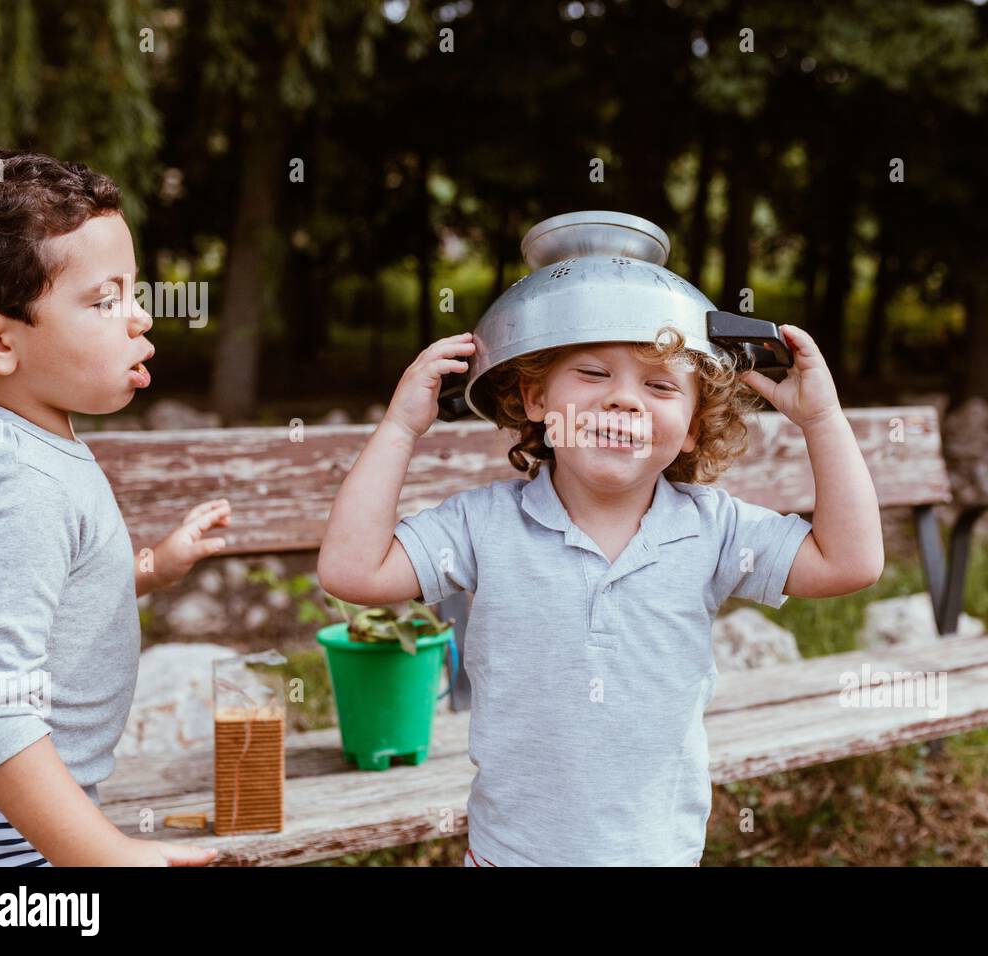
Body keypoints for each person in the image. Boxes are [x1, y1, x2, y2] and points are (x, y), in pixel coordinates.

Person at [317, 319, 883, 866]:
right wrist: (400, 428)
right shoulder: (482, 524)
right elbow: (354, 572)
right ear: (536, 398)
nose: (624, 400)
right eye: (592, 373)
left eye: (659, 385)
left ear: (690, 427)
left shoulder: (715, 530)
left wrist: (823, 420)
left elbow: (849, 562)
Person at [0, 149, 226, 866]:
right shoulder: (16, 482)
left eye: (134, 292)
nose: (139, 318)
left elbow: (22, 595)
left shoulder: (10, 445)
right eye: (106, 300)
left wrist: (145, 567)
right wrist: (108, 856)